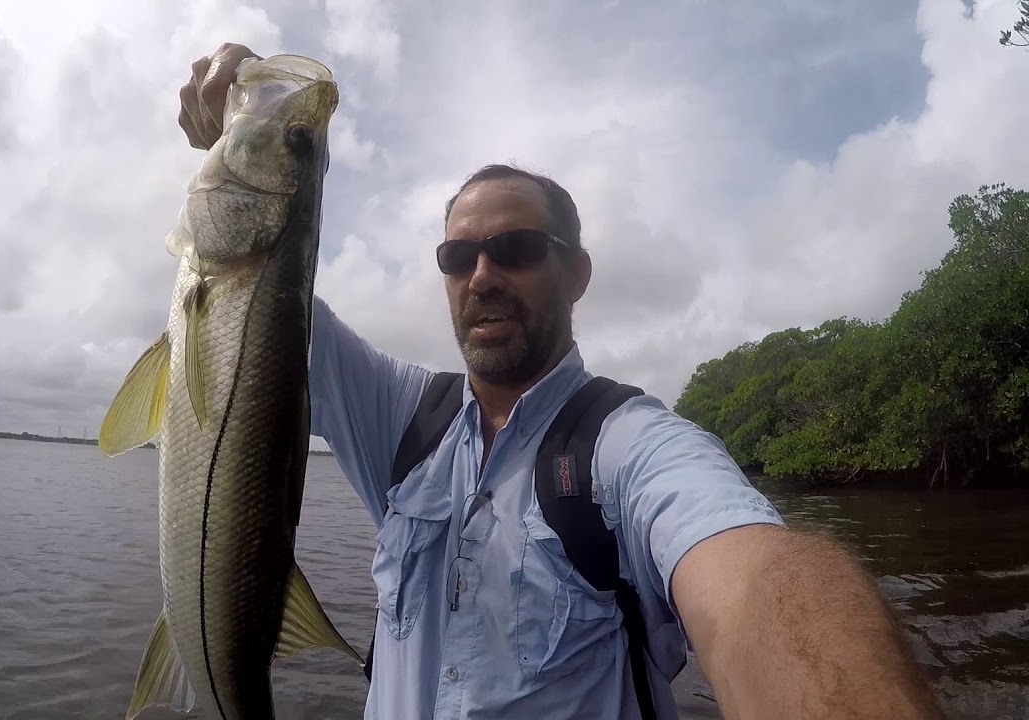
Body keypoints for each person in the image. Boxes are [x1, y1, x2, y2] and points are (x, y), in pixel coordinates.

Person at [175, 42, 945, 720]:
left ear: (576, 273)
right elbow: (256, 312)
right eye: (457, 257)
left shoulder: (633, 447)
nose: (482, 276)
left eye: (515, 248)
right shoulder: (405, 421)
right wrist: (244, 86)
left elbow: (755, 588)